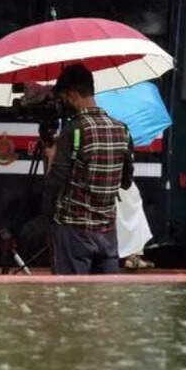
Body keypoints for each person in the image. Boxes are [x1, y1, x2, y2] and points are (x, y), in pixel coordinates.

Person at [44, 64, 134, 275]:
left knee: (71, 300)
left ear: (73, 94)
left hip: (73, 231)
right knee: (104, 302)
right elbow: (126, 181)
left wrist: (46, 218)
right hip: (107, 232)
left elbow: (56, 180)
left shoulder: (74, 129)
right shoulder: (121, 129)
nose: (62, 103)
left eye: (64, 97)